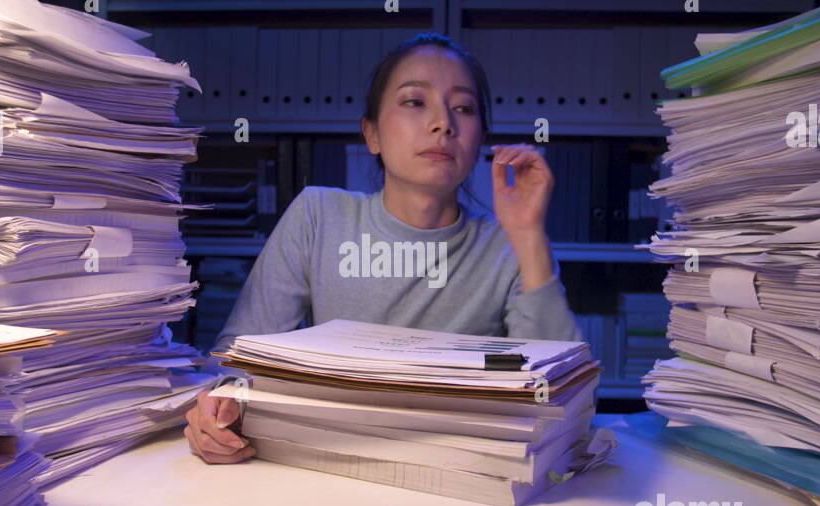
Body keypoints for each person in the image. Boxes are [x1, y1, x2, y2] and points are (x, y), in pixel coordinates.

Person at [184, 33, 579, 464]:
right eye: (414, 102)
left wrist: (527, 234)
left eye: (463, 108)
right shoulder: (319, 216)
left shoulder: (509, 243)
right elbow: (241, 359)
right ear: (371, 134)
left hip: (457, 467)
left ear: (481, 139)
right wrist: (220, 409)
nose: (443, 123)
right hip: (329, 462)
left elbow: (556, 393)